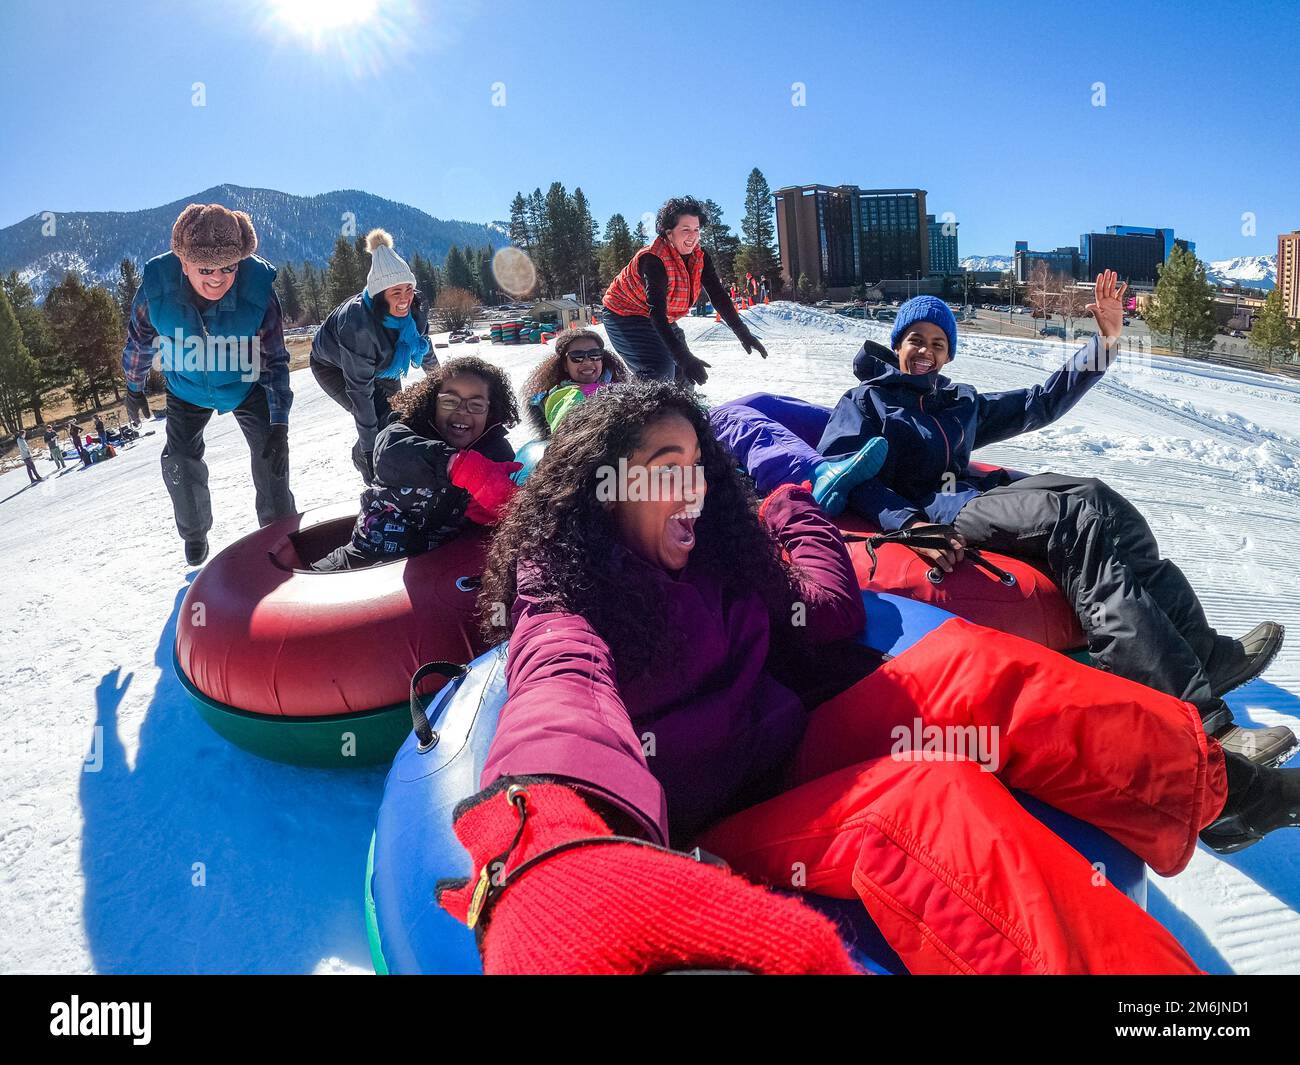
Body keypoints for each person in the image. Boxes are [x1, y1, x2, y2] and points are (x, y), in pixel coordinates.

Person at [432, 380, 1300, 976]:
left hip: (787, 739)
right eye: (663, 464)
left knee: (973, 668)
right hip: (711, 819)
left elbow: (826, 611)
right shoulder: (568, 584)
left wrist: (790, 505)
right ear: (601, 486)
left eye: (696, 462)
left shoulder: (716, 550)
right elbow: (559, 687)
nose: (690, 485)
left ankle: (1218, 792)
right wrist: (542, 839)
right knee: (928, 805)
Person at [815, 278, 1291, 765]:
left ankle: (1205, 653)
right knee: (1072, 519)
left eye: (938, 344)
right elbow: (840, 470)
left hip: (981, 493)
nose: (926, 352)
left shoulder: (960, 402)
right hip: (943, 510)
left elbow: (1040, 402)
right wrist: (910, 523)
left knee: (1097, 497)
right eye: (916, 339)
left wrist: (1103, 344)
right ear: (897, 343)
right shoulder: (866, 400)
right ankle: (1199, 720)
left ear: (949, 354)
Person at [122, 203, 295, 566]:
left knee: (272, 460)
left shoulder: (259, 290)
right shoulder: (156, 291)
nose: (218, 277)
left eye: (229, 267)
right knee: (180, 461)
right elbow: (139, 342)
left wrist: (279, 422)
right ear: (182, 262)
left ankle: (280, 537)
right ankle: (194, 532)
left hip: (246, 384)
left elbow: (276, 359)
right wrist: (134, 386)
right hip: (185, 386)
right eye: (205, 269)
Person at [312, 357, 520, 572]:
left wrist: (491, 513)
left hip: (435, 567)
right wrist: (459, 466)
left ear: (491, 411)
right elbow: (388, 454)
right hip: (363, 554)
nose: (462, 411)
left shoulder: (496, 454)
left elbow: (499, 512)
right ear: (433, 403)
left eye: (476, 405)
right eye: (450, 401)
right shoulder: (405, 431)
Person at [310, 229, 436, 484]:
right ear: (379, 296)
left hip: (384, 365)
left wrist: (444, 382)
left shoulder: (416, 309)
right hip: (332, 367)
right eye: (395, 293)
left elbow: (426, 350)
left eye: (408, 289)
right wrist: (369, 451)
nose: (404, 299)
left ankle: (393, 458)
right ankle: (366, 460)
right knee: (379, 422)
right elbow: (361, 395)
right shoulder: (358, 326)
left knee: (399, 414)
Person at [601, 196, 768, 385]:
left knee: (683, 378)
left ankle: (680, 414)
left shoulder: (700, 257)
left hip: (659, 317)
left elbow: (718, 296)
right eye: (685, 229)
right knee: (659, 371)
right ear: (668, 232)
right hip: (624, 315)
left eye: (696, 229)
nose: (693, 236)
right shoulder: (654, 260)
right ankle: (634, 411)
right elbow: (656, 313)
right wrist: (683, 357)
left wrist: (742, 332)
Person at [519, 327, 629, 438]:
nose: (587, 362)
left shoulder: (620, 389)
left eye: (595, 354)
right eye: (577, 356)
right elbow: (568, 435)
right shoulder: (564, 396)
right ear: (565, 365)